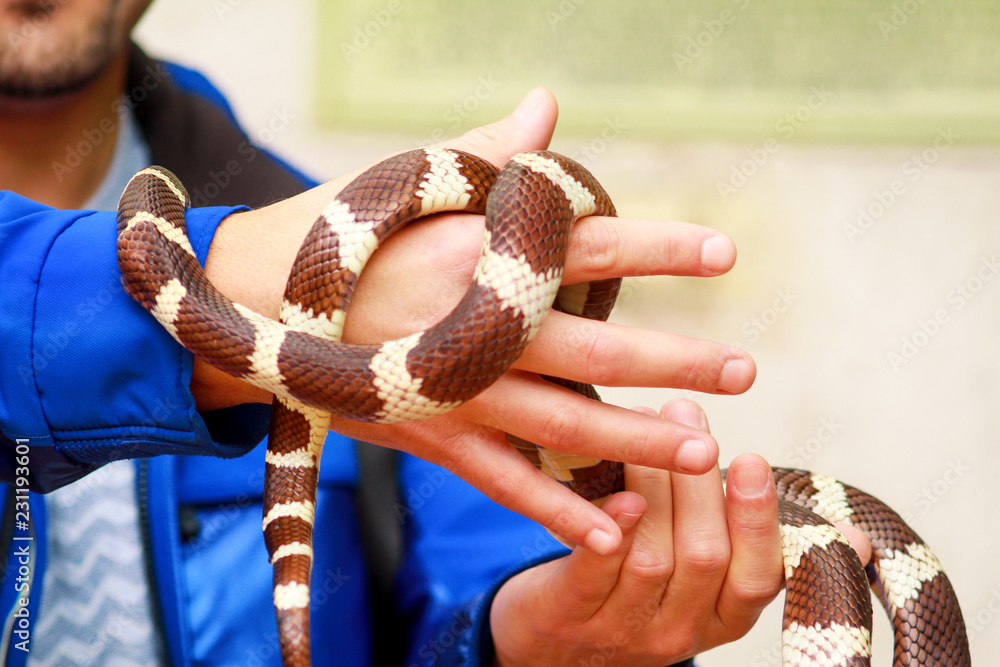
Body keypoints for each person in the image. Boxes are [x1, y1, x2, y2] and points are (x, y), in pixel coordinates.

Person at [0, 2, 869, 665]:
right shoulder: (353, 272)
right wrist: (247, 293)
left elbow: (478, 574)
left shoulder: (382, 260)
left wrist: (526, 631)